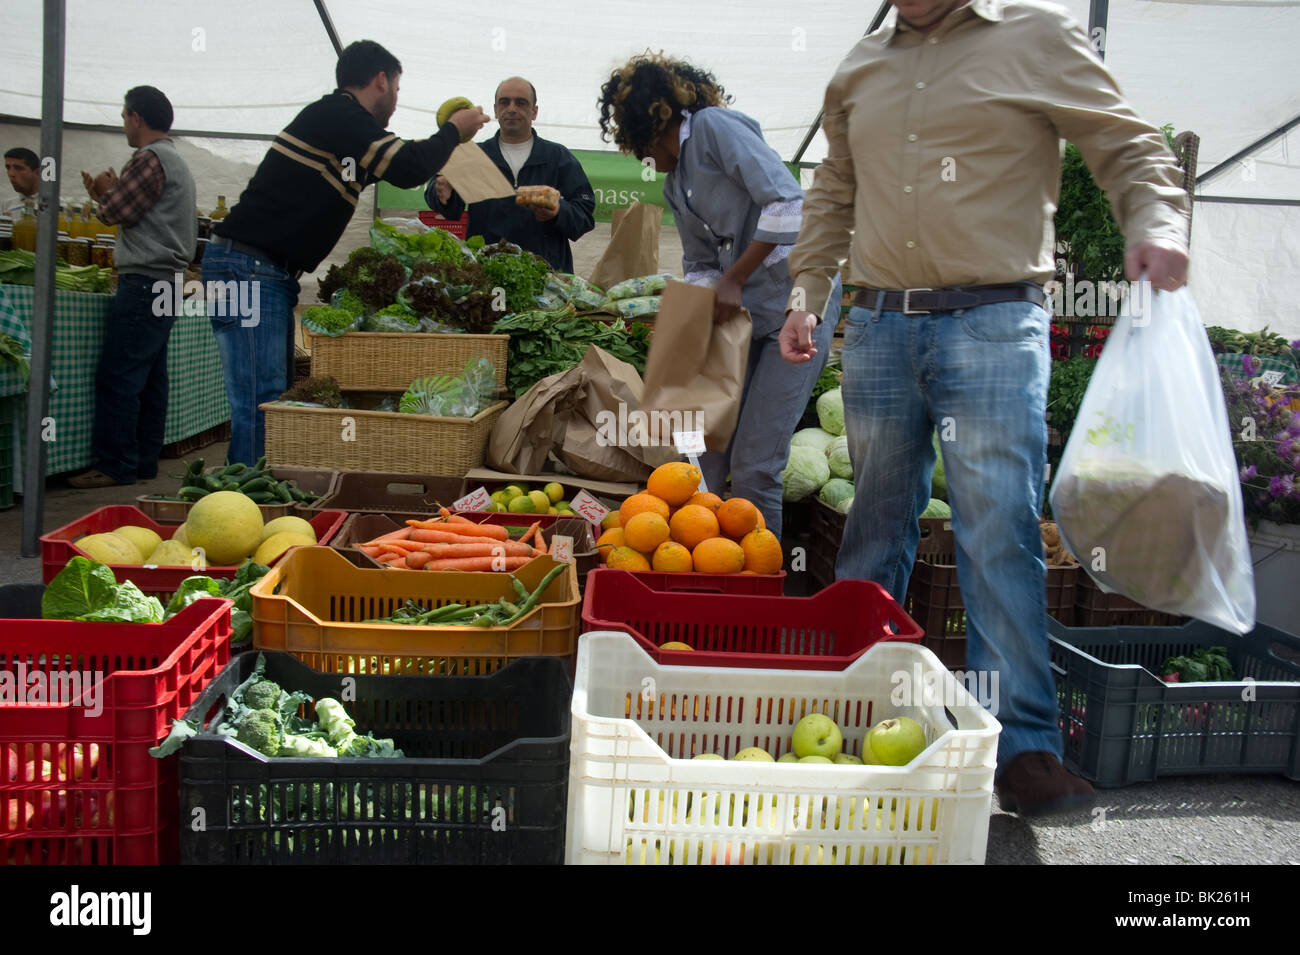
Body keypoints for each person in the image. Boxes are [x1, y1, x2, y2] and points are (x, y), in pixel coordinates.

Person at [780, 0, 1190, 814]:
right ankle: (862, 709)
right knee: (875, 525)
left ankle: (1027, 748)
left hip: (995, 322)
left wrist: (1157, 220)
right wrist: (807, 291)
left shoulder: (1035, 36)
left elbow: (1128, 141)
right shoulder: (860, 66)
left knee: (998, 531)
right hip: (878, 325)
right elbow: (833, 193)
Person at [206, 40, 488, 466]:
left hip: (263, 271)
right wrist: (453, 131)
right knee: (260, 400)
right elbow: (407, 163)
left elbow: (402, 169)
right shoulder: (340, 115)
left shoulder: (342, 133)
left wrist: (442, 171)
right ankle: (246, 502)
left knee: (272, 398)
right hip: (248, 268)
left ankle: (259, 495)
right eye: (396, 88)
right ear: (382, 80)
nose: (396, 101)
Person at [598, 53, 839, 538]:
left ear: (651, 121)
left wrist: (736, 276)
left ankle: (756, 586)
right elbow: (702, 264)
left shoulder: (713, 128)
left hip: (795, 309)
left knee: (755, 463)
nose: (634, 155)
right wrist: (693, 319)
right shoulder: (673, 185)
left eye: (631, 140)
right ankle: (706, 567)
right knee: (701, 450)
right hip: (739, 323)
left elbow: (789, 205)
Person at [68, 87, 197, 489]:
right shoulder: (175, 161)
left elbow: (114, 212)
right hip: (168, 281)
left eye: (125, 117)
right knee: (151, 374)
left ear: (137, 117)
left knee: (120, 373)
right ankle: (142, 460)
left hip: (146, 279)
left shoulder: (149, 158)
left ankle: (115, 464)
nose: (124, 125)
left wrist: (106, 190)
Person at [425, 77, 594, 271]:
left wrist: (558, 211)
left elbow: (584, 215)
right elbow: (450, 210)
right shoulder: (474, 156)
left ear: (534, 112)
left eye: (521, 102)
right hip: (486, 273)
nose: (512, 108)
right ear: (496, 109)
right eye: (505, 102)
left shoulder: (558, 158)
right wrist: (441, 191)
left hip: (548, 278)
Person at [2, 147, 39, 217]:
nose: (11, 174)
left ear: (37, 172)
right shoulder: (5, 207)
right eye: (8, 168)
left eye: (18, 168)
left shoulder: (57, 207)